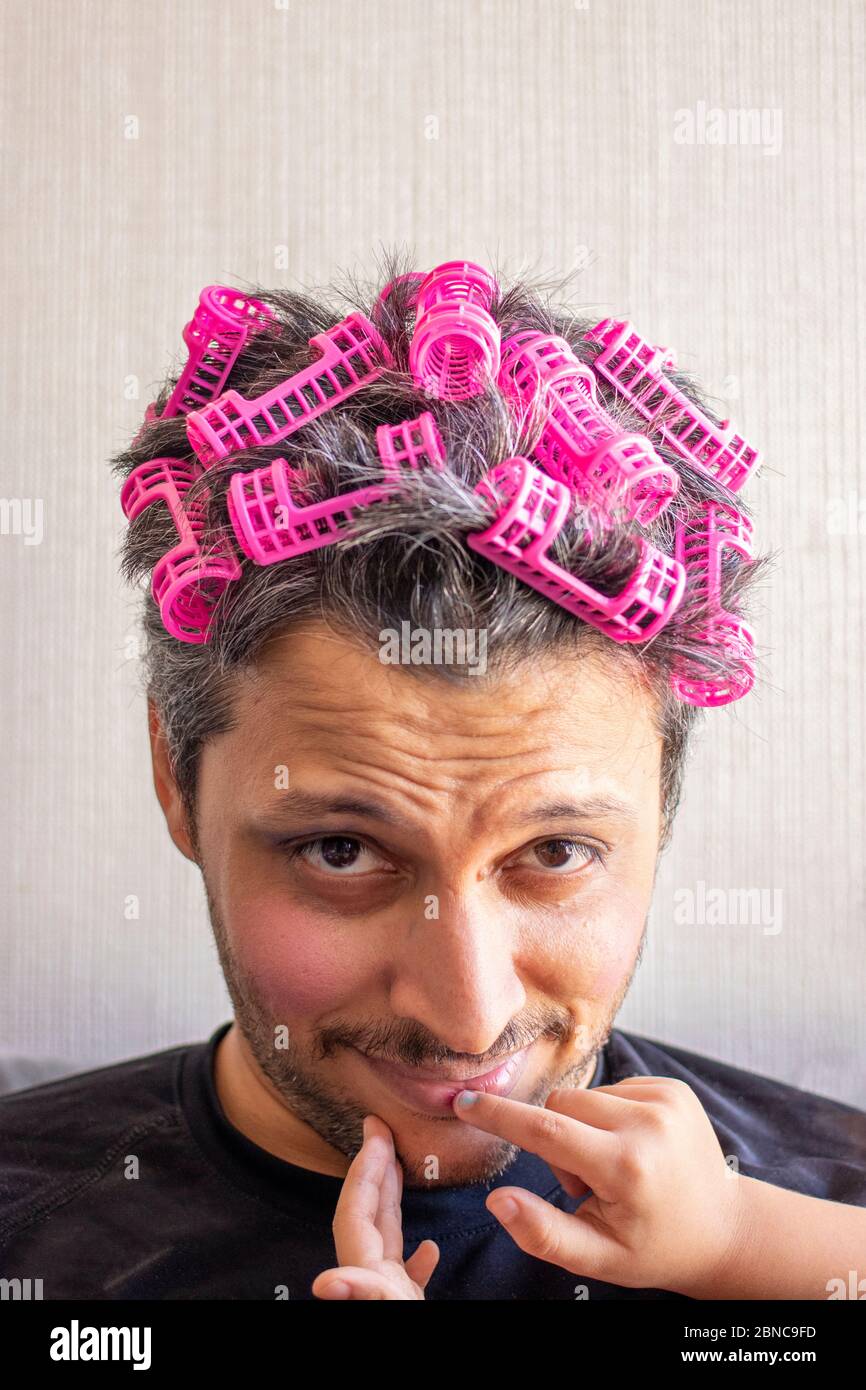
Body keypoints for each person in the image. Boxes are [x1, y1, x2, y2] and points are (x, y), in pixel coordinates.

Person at [1, 253, 864, 1301]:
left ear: (661, 806)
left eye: (553, 852)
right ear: (175, 779)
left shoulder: (822, 1236)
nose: (465, 1016)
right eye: (342, 851)